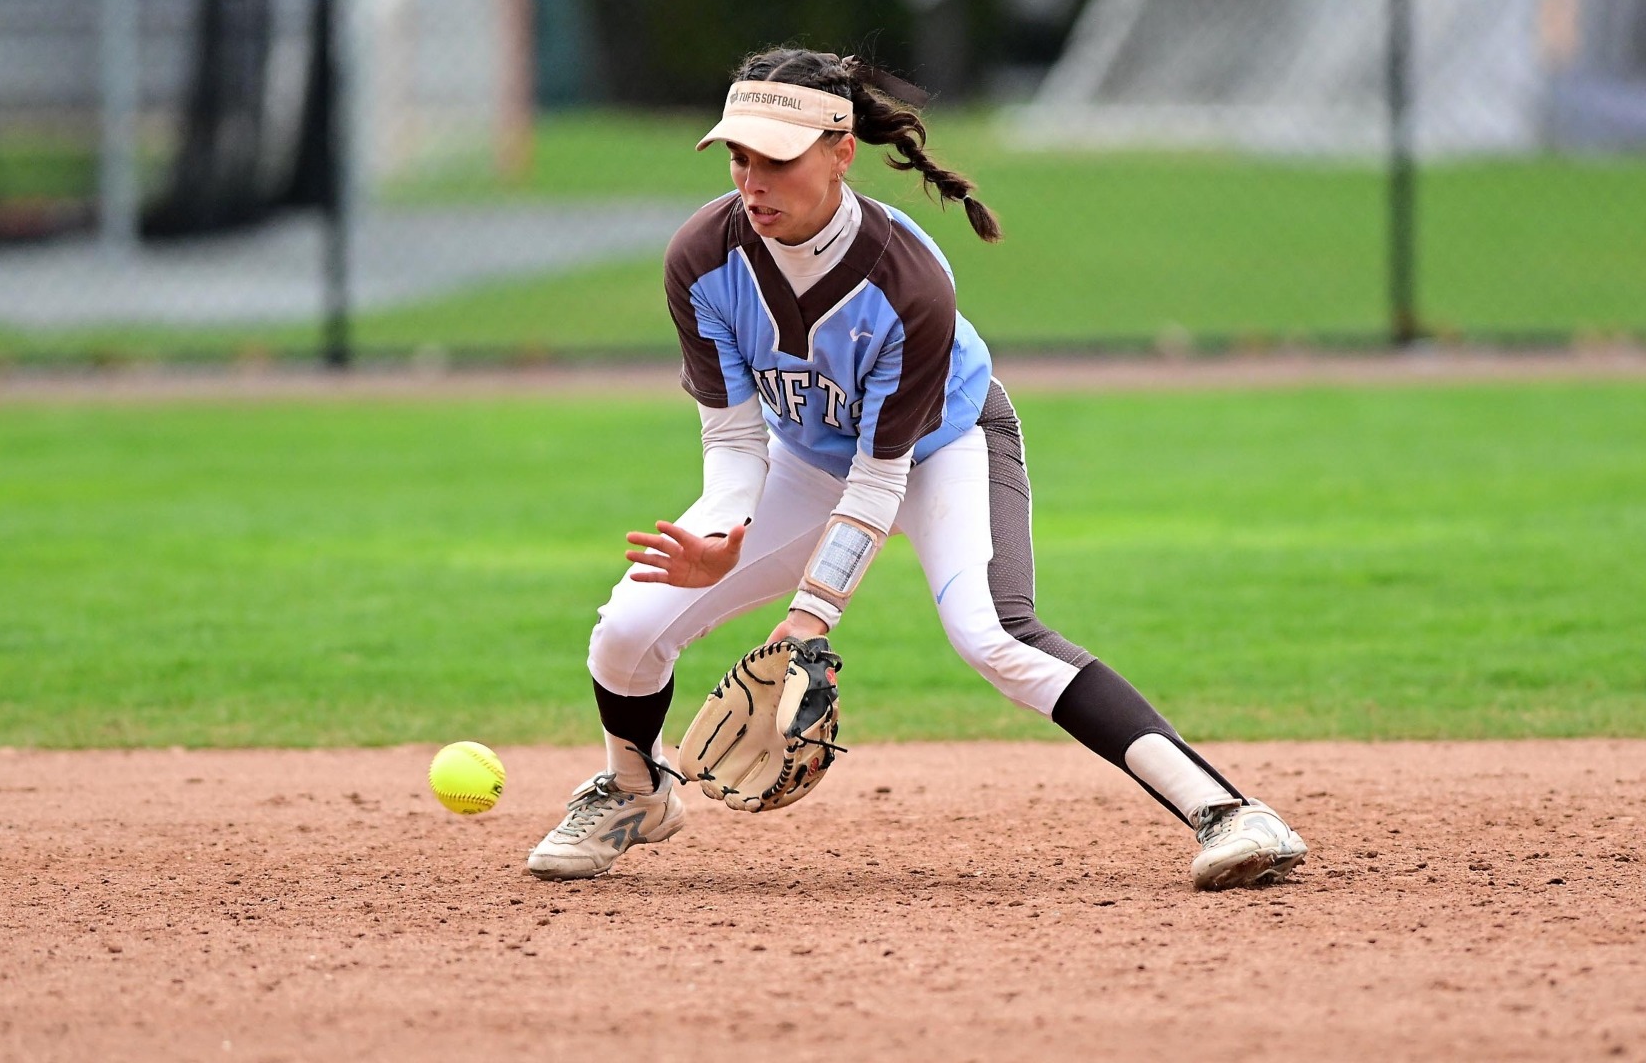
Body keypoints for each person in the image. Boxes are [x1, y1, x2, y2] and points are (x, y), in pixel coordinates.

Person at [526, 47, 1307, 891]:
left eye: (777, 160)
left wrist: (811, 614)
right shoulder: (703, 258)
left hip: (946, 448)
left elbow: (881, 473)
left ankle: (1230, 811)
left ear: (840, 152)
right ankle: (636, 792)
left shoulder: (908, 281)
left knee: (992, 634)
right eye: (739, 157)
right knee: (628, 631)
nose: (752, 182)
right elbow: (735, 444)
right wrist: (724, 536)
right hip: (804, 458)